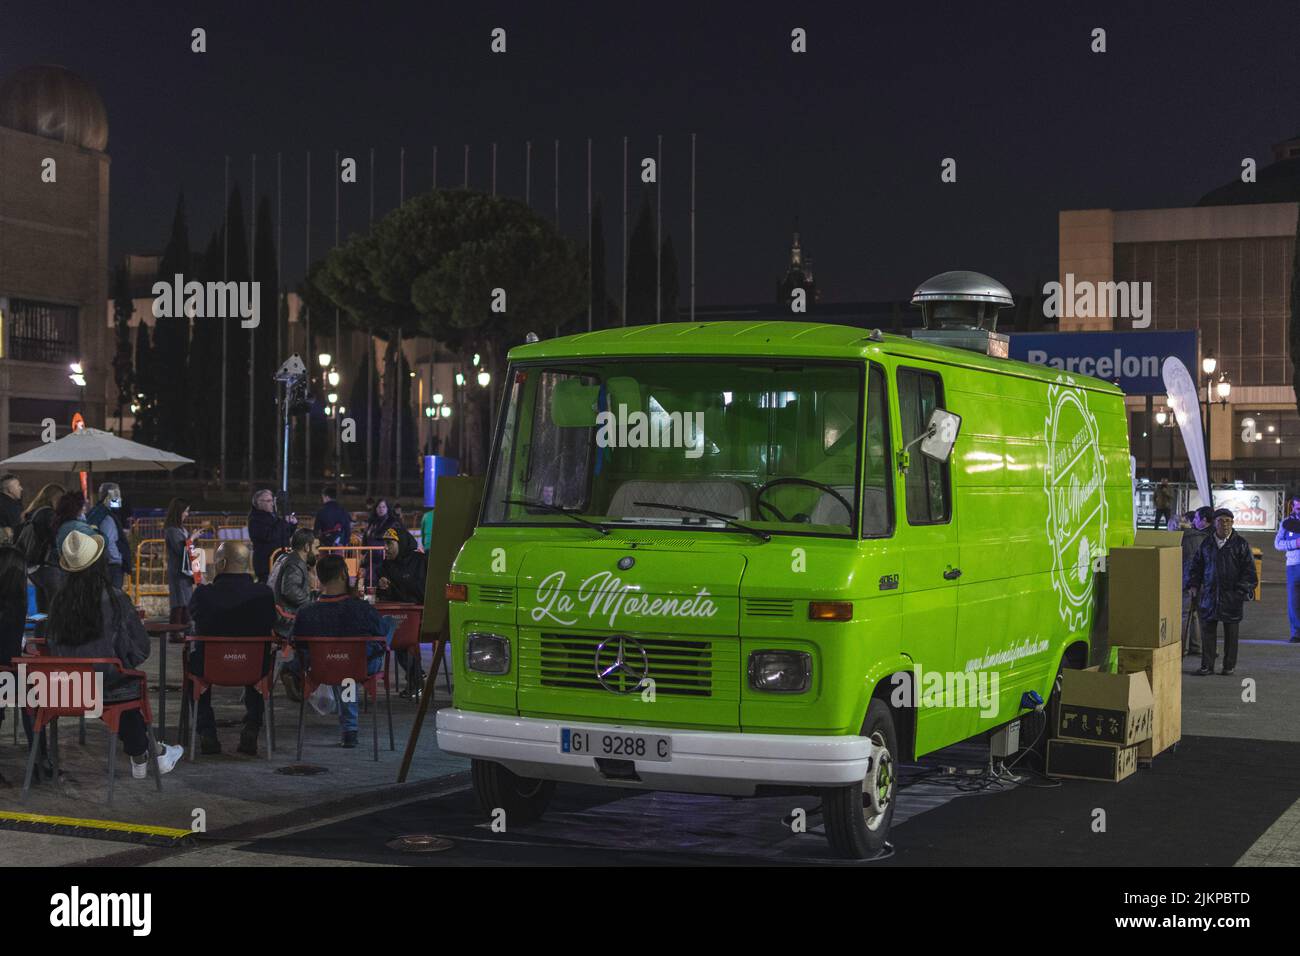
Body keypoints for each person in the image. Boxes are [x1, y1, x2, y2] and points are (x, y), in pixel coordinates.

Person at [47, 530, 184, 778]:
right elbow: (140, 647)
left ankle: (145, 755)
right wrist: (120, 662)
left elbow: (52, 644)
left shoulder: (57, 602)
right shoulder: (114, 597)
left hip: (66, 690)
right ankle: (150, 752)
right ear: (99, 562)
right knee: (124, 683)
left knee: (110, 684)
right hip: (106, 687)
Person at [187, 541, 277, 756]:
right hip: (253, 669)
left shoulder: (204, 594)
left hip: (211, 667)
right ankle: (252, 727)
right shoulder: (264, 594)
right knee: (260, 658)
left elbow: (194, 616)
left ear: (222, 563)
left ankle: (207, 731)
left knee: (192, 666)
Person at [290, 553, 387, 748]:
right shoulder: (362, 609)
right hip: (358, 667)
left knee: (342, 668)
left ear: (319, 578)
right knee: (351, 668)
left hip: (321, 668)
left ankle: (349, 726)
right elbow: (380, 634)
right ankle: (350, 728)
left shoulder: (306, 613)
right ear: (344, 575)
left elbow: (295, 642)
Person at [1186, 508, 1258, 677]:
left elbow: (1249, 572)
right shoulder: (1207, 544)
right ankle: (1207, 666)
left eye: (1228, 521)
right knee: (1207, 634)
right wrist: (1193, 584)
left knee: (1231, 635)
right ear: (1215, 523)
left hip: (1232, 596)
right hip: (1209, 595)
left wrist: (1241, 590)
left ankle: (1228, 666)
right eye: (1221, 521)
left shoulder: (1240, 544)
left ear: (1232, 523)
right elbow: (1196, 566)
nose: (1225, 524)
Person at [269, 528, 319, 700]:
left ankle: (297, 676)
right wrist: (312, 600)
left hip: (278, 616)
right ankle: (293, 670)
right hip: (287, 620)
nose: (318, 552)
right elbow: (290, 590)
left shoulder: (285, 558)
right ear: (307, 547)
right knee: (321, 634)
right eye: (316, 548)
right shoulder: (295, 563)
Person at [378, 526, 427, 695]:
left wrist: (400, 585)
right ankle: (416, 678)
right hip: (400, 617)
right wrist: (383, 587)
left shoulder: (420, 561)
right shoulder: (386, 565)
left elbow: (422, 590)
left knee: (401, 636)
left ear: (402, 543)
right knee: (396, 636)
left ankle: (416, 678)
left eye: (389, 544)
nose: (386, 548)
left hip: (422, 616)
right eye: (384, 544)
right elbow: (385, 597)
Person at [18, 483, 65, 611]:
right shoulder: (49, 514)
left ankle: (40, 631)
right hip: (48, 565)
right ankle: (54, 631)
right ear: (54, 498)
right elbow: (55, 539)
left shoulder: (33, 513)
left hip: (34, 567)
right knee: (57, 608)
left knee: (43, 610)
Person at [1181, 506, 1213, 657]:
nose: (1194, 521)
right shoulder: (1210, 536)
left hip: (1191, 581)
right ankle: (1199, 646)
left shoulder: (1187, 538)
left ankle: (1183, 647)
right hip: (1207, 581)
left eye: (1196, 518)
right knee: (1201, 615)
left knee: (1186, 614)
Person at [86, 482, 132, 590]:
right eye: (117, 494)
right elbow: (108, 542)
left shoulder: (98, 512)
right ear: (109, 496)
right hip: (111, 566)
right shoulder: (107, 517)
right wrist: (118, 559)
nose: (119, 498)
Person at [248, 489, 297, 583]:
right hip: (266, 562)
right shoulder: (255, 519)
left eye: (272, 500)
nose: (272, 504)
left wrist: (292, 524)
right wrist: (283, 522)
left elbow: (284, 534)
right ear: (258, 502)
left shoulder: (272, 515)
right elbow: (268, 536)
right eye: (268, 501)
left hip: (279, 560)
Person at [163, 498, 195, 630]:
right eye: (185, 511)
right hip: (178, 571)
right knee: (179, 601)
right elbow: (180, 550)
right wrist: (192, 539)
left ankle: (185, 629)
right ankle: (175, 631)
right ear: (178, 512)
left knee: (186, 600)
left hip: (185, 570)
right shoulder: (172, 530)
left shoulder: (181, 529)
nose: (187, 514)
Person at [1275, 496, 1300, 644]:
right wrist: (1295, 543)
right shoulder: (1285, 523)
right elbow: (1277, 544)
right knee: (1294, 602)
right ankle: (1296, 633)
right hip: (1293, 566)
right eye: (1298, 508)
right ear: (1293, 508)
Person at [0, 473, 24, 545]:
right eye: (18, 485)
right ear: (10, 490)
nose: (21, 488)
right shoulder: (8, 506)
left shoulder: (13, 503)